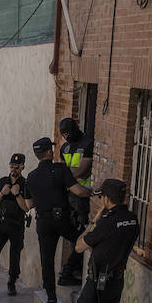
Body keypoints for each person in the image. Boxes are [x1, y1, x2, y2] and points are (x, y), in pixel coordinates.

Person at [19, 137, 93, 303]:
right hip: (62, 220)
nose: (53, 152)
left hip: (43, 222)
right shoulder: (60, 169)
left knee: (47, 260)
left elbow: (29, 205)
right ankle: (70, 270)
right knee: (82, 240)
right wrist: (94, 192)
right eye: (51, 150)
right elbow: (79, 191)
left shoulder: (31, 177)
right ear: (48, 153)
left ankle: (51, 298)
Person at [56, 117, 95, 287]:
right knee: (73, 234)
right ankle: (72, 270)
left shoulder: (87, 143)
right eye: (62, 134)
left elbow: (83, 170)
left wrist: (69, 174)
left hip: (83, 198)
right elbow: (65, 171)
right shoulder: (64, 147)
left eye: (67, 133)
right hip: (69, 197)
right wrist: (72, 174)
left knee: (82, 232)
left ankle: (71, 269)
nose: (65, 137)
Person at [0, 153, 29, 297]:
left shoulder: (25, 184)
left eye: (16, 166)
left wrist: (17, 195)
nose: (13, 169)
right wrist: (2, 194)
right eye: (11, 166)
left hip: (17, 225)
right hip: (2, 224)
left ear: (22, 167)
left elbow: (26, 208)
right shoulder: (3, 181)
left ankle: (12, 283)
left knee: (14, 257)